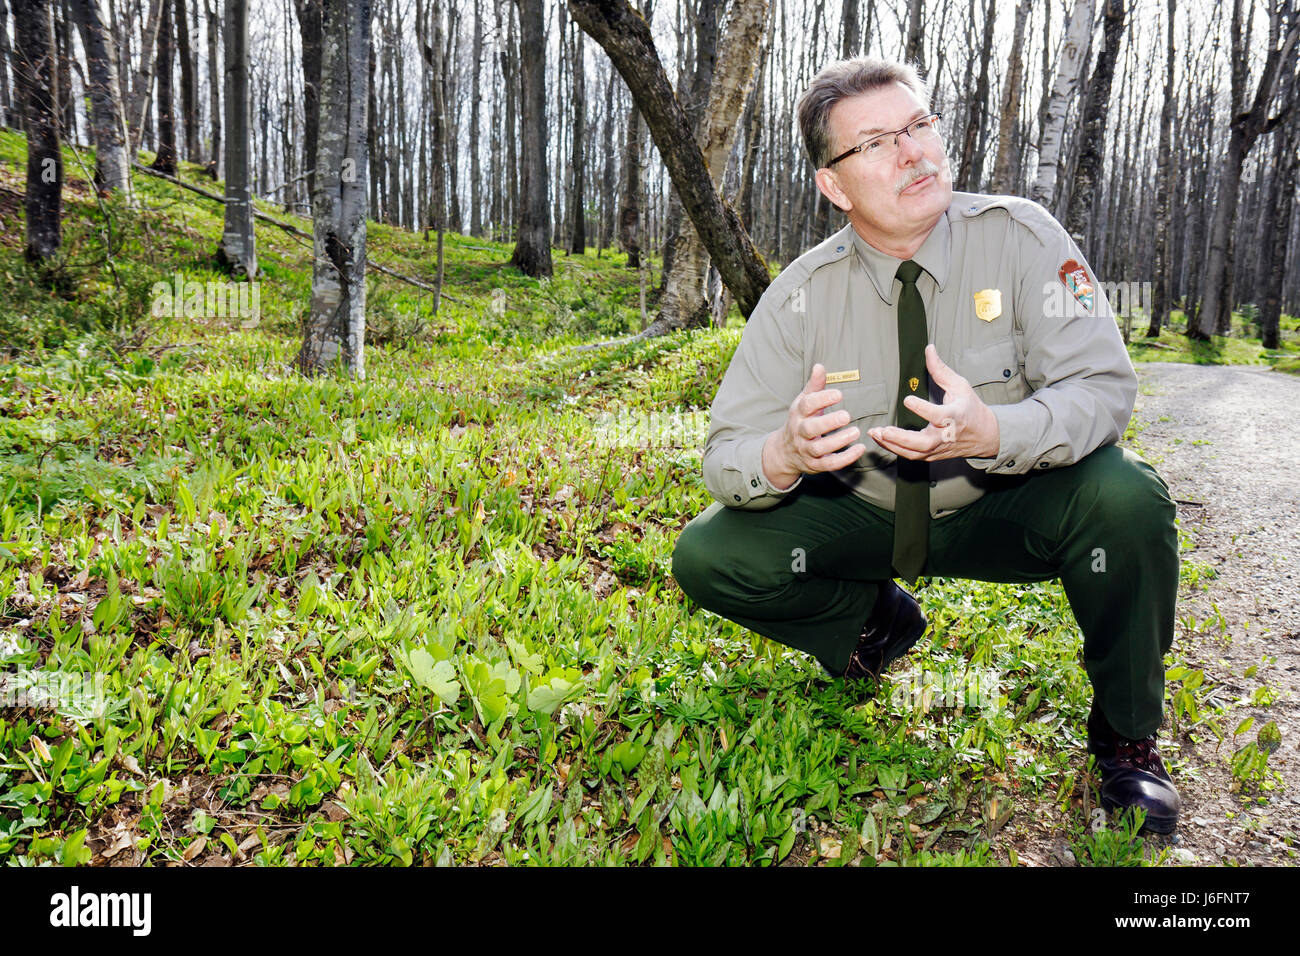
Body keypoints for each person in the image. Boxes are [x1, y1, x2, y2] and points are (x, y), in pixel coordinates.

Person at [670, 56, 1181, 834]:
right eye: (877, 142)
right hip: (863, 513)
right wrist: (782, 454)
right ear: (834, 186)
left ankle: (1127, 734)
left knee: (1128, 500)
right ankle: (872, 624)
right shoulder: (799, 297)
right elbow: (723, 453)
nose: (914, 152)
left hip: (1003, 502)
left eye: (919, 126)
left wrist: (996, 431)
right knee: (708, 553)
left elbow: (1103, 388)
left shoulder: (1022, 239)